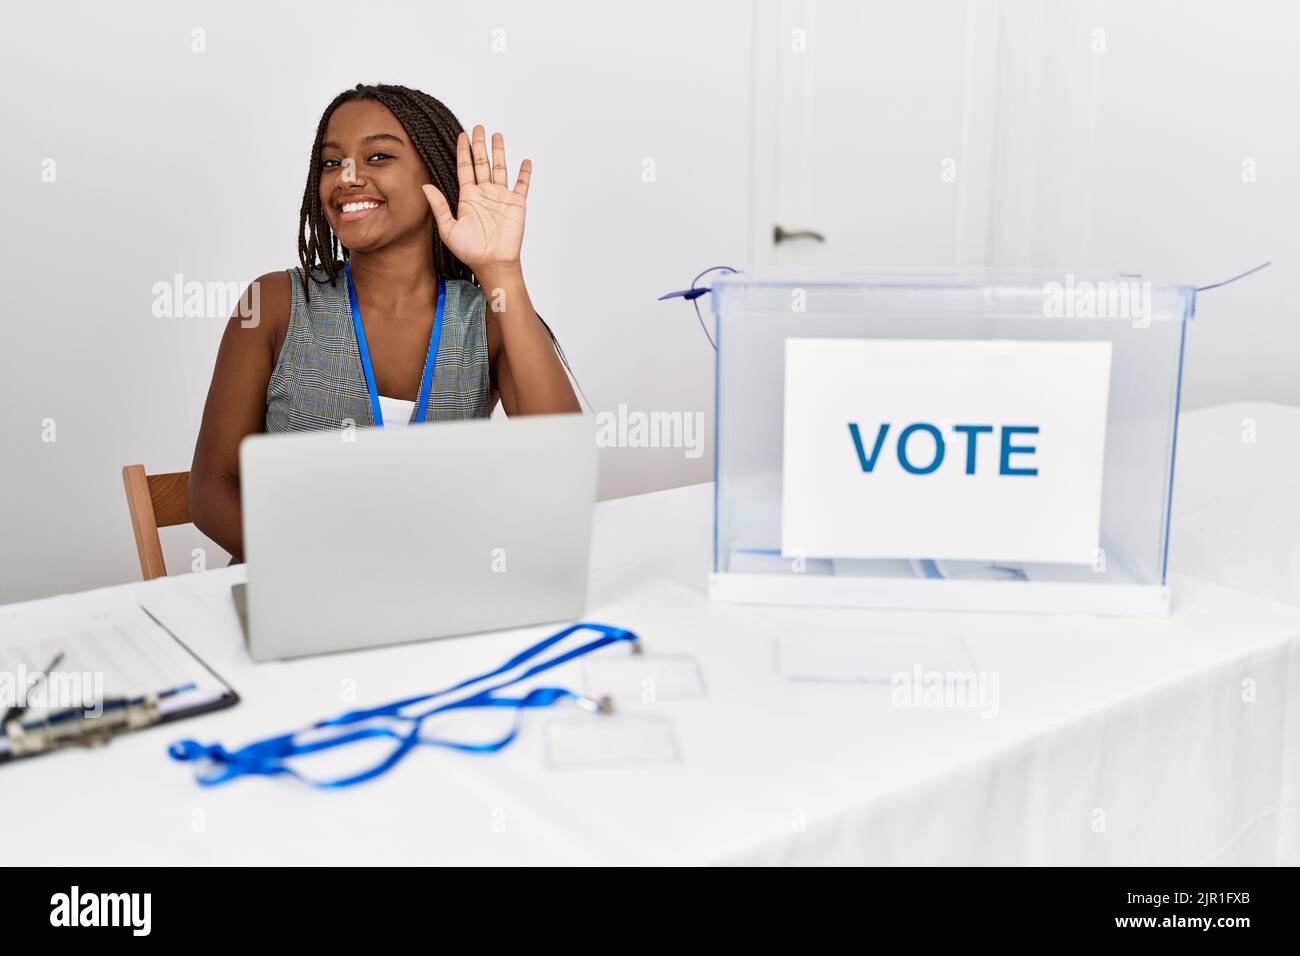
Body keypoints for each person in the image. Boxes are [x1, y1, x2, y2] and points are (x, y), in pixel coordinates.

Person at [189, 83, 580, 560]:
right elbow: (212, 489)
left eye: (377, 157)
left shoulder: (487, 318)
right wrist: (321, 575)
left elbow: (563, 465)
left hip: (439, 596)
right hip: (296, 595)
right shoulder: (274, 304)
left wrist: (502, 272)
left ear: (435, 175)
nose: (348, 177)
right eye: (332, 162)